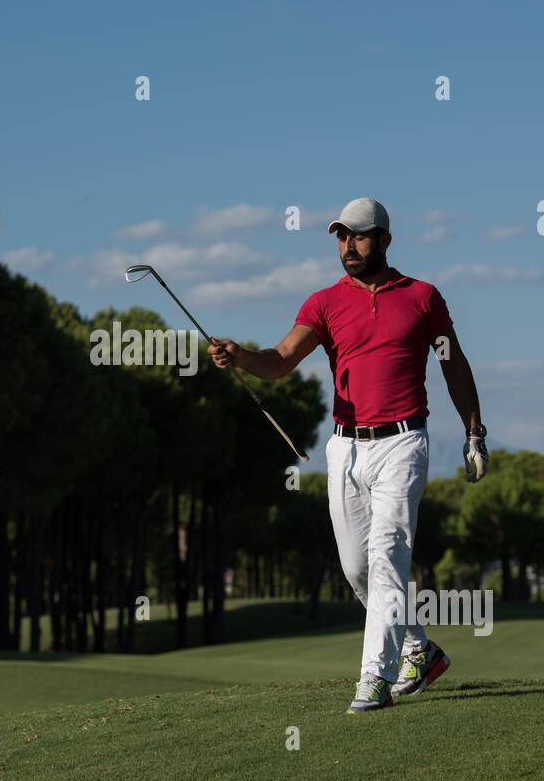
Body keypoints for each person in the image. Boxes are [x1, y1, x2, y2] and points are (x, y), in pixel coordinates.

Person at [207, 197, 488, 712]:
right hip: (345, 448)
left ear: (384, 239)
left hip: (404, 442)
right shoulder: (323, 303)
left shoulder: (423, 297)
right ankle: (418, 650)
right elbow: (282, 360)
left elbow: (453, 364)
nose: (348, 246)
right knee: (358, 568)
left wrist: (474, 431)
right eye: (341, 236)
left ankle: (372, 681)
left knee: (387, 558)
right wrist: (242, 357)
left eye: (358, 236)